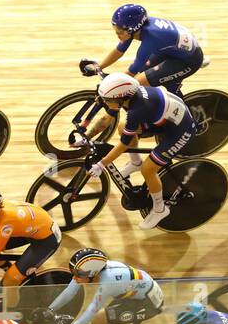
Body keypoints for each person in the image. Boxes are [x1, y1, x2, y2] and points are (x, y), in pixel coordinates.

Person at [79, 73, 197, 230]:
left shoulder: (138, 110)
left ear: (121, 98)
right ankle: (135, 162)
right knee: (123, 127)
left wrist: (101, 164)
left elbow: (123, 145)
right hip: (164, 120)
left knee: (148, 169)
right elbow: (106, 119)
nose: (105, 102)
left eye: (107, 100)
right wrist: (86, 137)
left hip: (180, 131)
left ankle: (160, 209)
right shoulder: (129, 97)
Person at [82, 4, 206, 97]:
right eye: (116, 30)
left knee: (137, 82)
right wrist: (99, 67)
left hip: (188, 61)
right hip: (171, 50)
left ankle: (182, 117)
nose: (117, 34)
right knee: (145, 77)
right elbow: (119, 51)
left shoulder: (151, 38)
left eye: (120, 31)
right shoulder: (134, 30)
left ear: (133, 29)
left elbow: (131, 72)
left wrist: (108, 86)